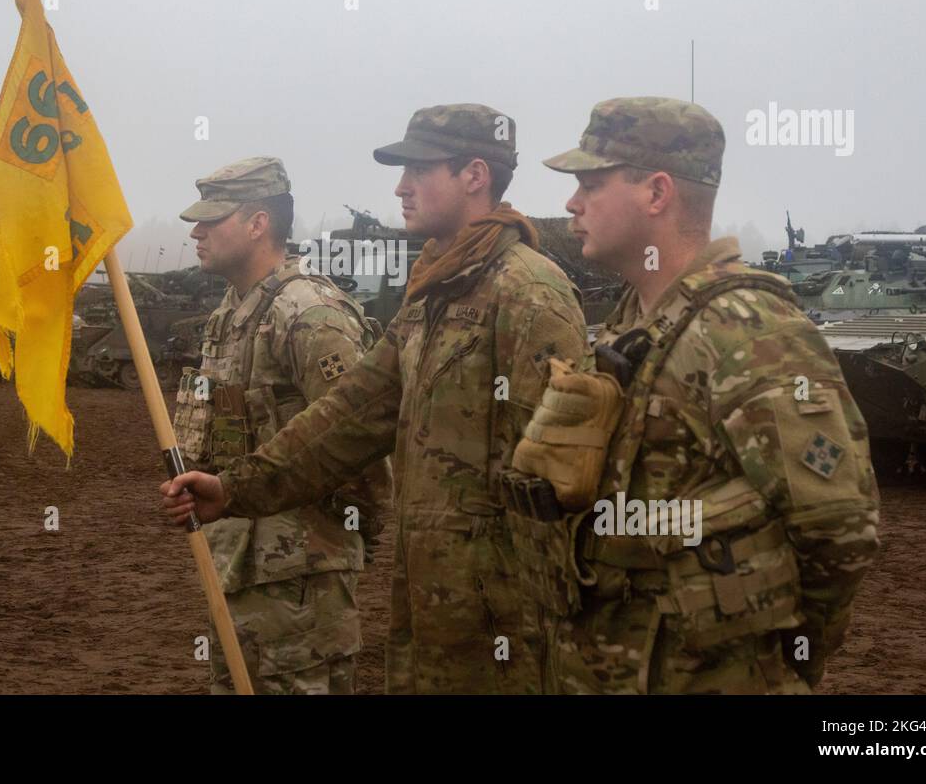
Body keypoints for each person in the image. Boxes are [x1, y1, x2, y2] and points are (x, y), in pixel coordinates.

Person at [164, 104, 589, 693]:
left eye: (419, 170)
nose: (400, 187)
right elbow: (347, 416)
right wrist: (236, 488)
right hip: (429, 604)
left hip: (505, 622)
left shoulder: (529, 292)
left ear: (474, 175)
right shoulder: (430, 298)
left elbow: (565, 479)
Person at [505, 96, 880, 693]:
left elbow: (838, 526)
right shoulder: (634, 320)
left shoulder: (748, 330)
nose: (572, 203)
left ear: (657, 193)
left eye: (591, 184)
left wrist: (787, 658)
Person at [172, 156, 391, 694]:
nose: (196, 232)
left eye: (212, 219)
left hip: (300, 580)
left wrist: (345, 544)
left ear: (258, 223)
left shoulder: (309, 313)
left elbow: (361, 442)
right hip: (237, 566)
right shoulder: (231, 312)